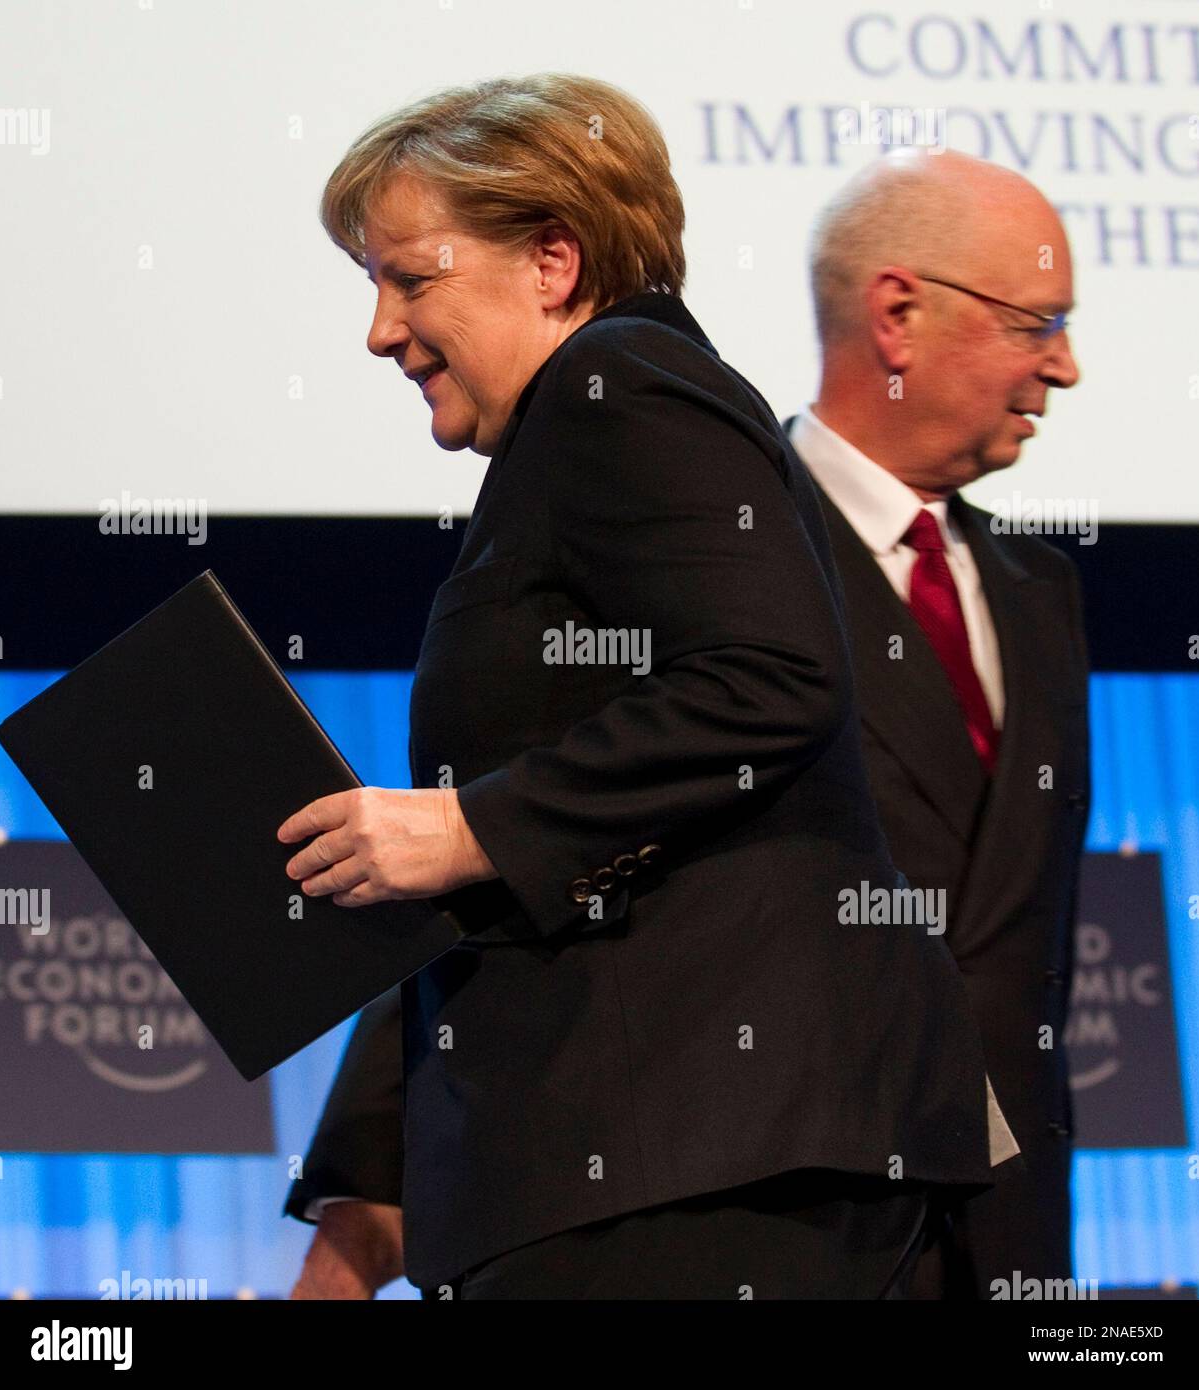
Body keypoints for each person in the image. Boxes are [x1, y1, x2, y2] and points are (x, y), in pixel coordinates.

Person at [279, 75, 1006, 1300]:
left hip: (691, 1155)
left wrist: (468, 825)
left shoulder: (619, 383)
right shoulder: (586, 415)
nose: (381, 331)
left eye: (411, 279)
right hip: (654, 1151)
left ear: (551, 261)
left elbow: (772, 675)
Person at [785, 149, 1089, 1297]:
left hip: (1015, 1241)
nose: (1064, 365)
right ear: (898, 315)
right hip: (800, 1233)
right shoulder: (714, 545)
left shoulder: (1037, 591)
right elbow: (530, 839)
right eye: (1036, 323)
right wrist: (376, 1187)